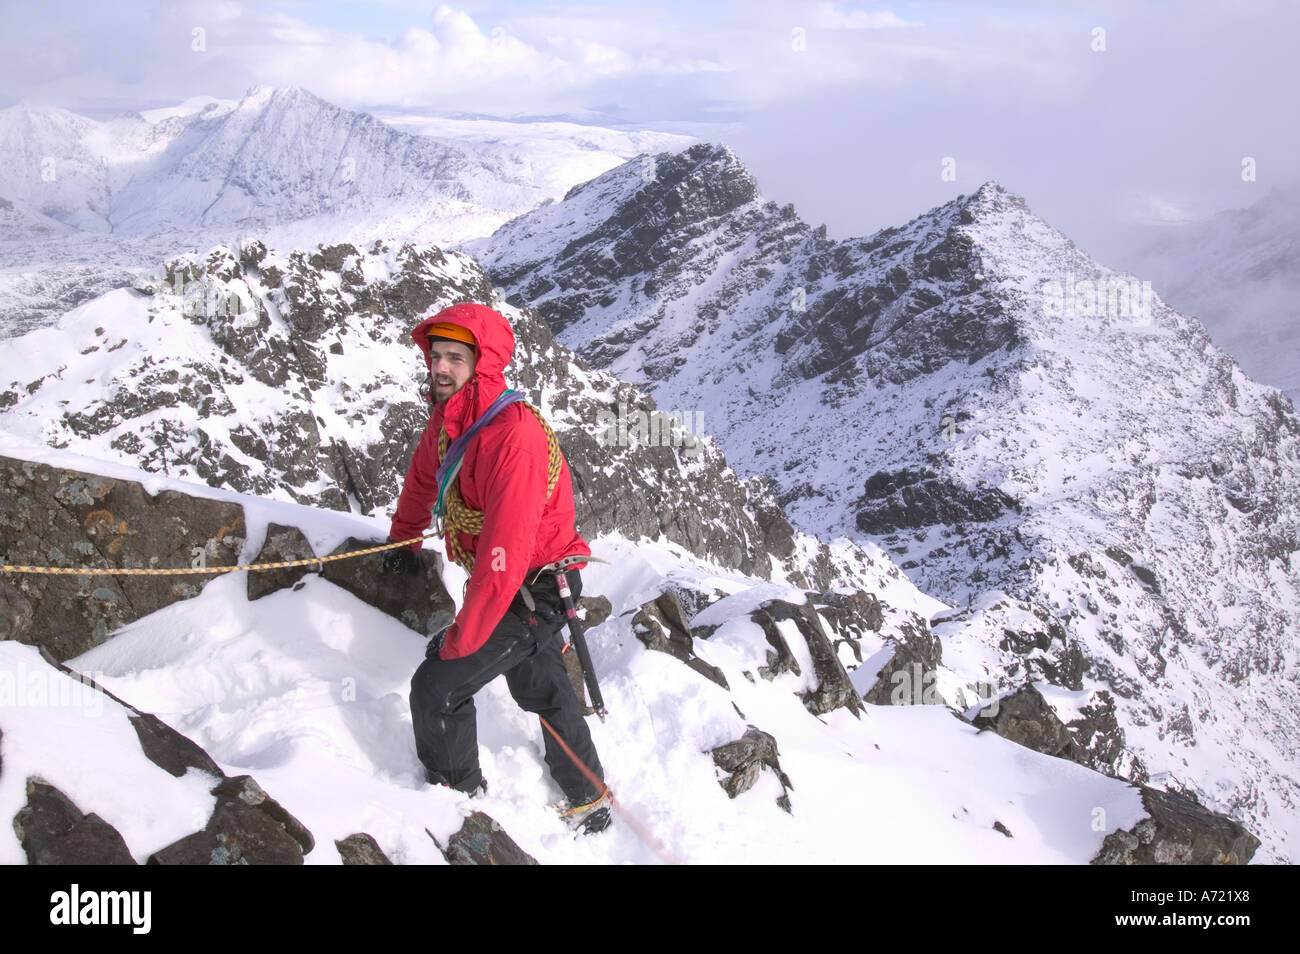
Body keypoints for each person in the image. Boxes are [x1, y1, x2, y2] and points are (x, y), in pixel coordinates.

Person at [380, 301, 611, 833]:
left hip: (531, 588)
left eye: (454, 358)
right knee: (544, 687)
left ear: (481, 364)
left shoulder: (513, 436)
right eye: (435, 355)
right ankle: (590, 797)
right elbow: (423, 481)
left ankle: (458, 805)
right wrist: (403, 539)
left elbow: (503, 556)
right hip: (521, 581)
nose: (439, 367)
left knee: (438, 689)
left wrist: (460, 639)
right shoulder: (449, 421)